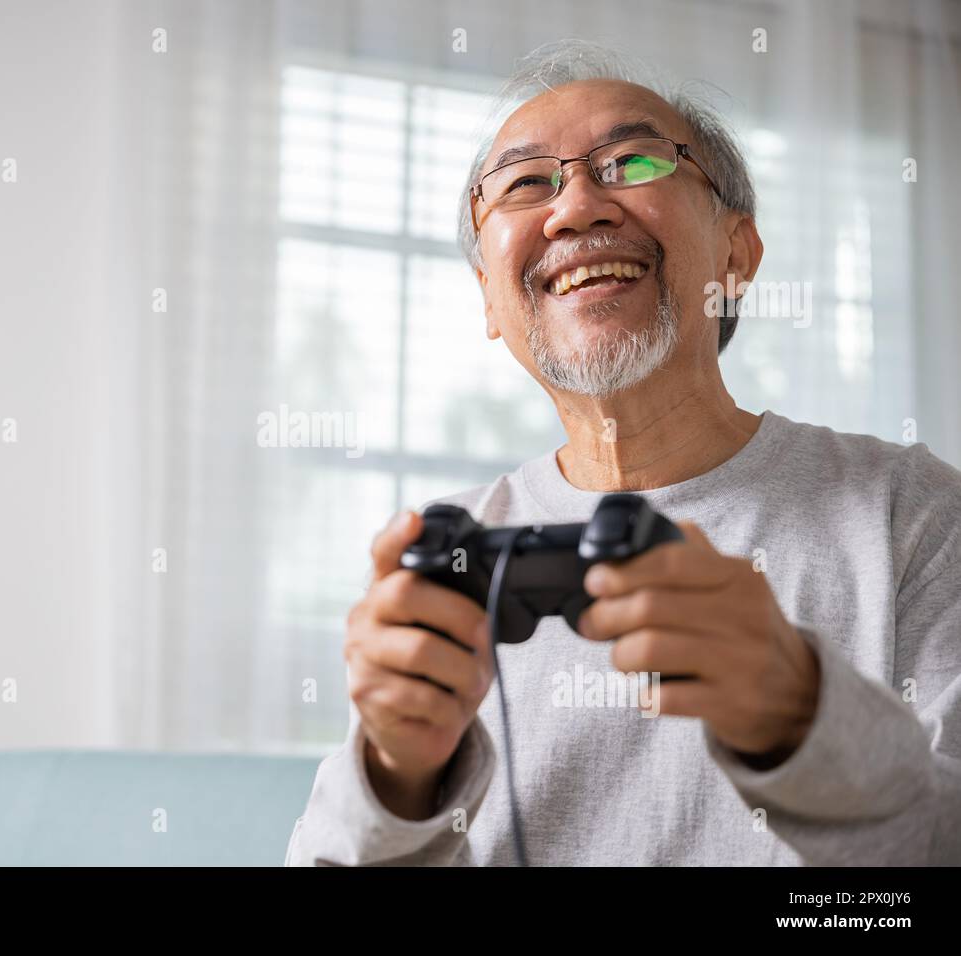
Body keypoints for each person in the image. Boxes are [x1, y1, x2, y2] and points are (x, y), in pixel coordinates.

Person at [284, 41, 961, 866]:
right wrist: (399, 779)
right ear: (490, 300)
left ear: (738, 255)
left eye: (631, 161)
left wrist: (803, 717)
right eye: (527, 183)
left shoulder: (914, 514)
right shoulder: (447, 554)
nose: (574, 209)